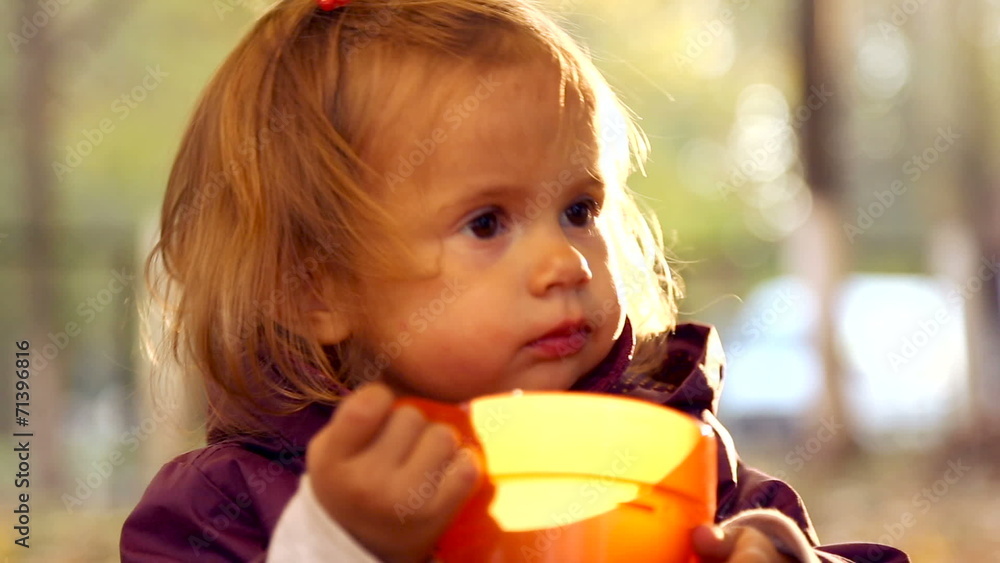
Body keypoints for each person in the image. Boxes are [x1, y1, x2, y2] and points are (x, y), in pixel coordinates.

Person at [119, 0, 910, 561]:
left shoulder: (677, 459)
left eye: (579, 209)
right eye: (487, 223)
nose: (567, 262)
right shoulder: (228, 508)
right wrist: (340, 543)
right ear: (313, 289)